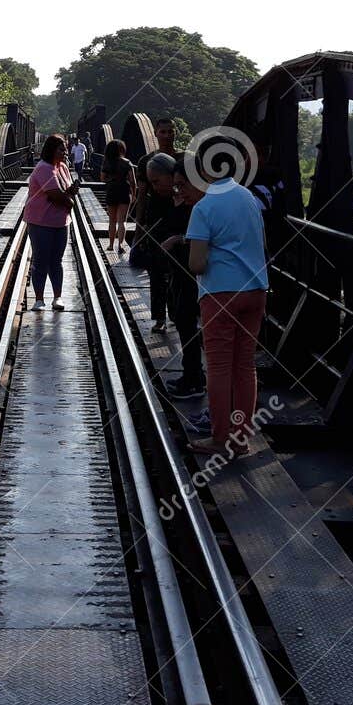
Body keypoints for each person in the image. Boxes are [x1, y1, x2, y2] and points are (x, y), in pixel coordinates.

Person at [184, 156, 270, 458]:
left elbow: (196, 263)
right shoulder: (248, 197)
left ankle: (221, 439)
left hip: (221, 293)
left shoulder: (204, 207)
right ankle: (241, 439)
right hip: (256, 289)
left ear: (207, 170)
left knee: (219, 368)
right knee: (245, 366)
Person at [147, 155, 205, 399]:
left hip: (192, 273)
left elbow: (201, 234)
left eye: (156, 180)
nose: (154, 186)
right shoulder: (164, 201)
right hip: (178, 271)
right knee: (183, 321)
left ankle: (195, 380)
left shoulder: (197, 203)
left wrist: (178, 239)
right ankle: (191, 375)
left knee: (188, 322)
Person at [133, 119, 180, 330]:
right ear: (155, 133)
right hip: (155, 220)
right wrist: (139, 224)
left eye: (171, 131)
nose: (167, 135)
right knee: (156, 271)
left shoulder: (184, 158)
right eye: (163, 131)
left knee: (179, 269)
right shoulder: (145, 161)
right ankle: (160, 317)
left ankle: (177, 312)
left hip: (180, 218)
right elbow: (142, 194)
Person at [24, 134, 77, 310]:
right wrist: (71, 201)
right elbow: (56, 195)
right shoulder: (44, 168)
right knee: (40, 260)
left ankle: (57, 297)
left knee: (57, 260)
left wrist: (70, 191)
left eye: (66, 148)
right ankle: (39, 299)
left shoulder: (62, 167)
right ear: (51, 150)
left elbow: (64, 191)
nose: (65, 152)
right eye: (61, 149)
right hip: (40, 222)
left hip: (61, 222)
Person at [103, 138, 136, 256]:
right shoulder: (127, 162)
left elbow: (102, 178)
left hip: (112, 191)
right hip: (124, 191)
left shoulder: (107, 162)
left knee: (112, 221)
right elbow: (133, 181)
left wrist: (111, 179)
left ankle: (111, 245)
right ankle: (121, 244)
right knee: (122, 221)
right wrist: (134, 194)